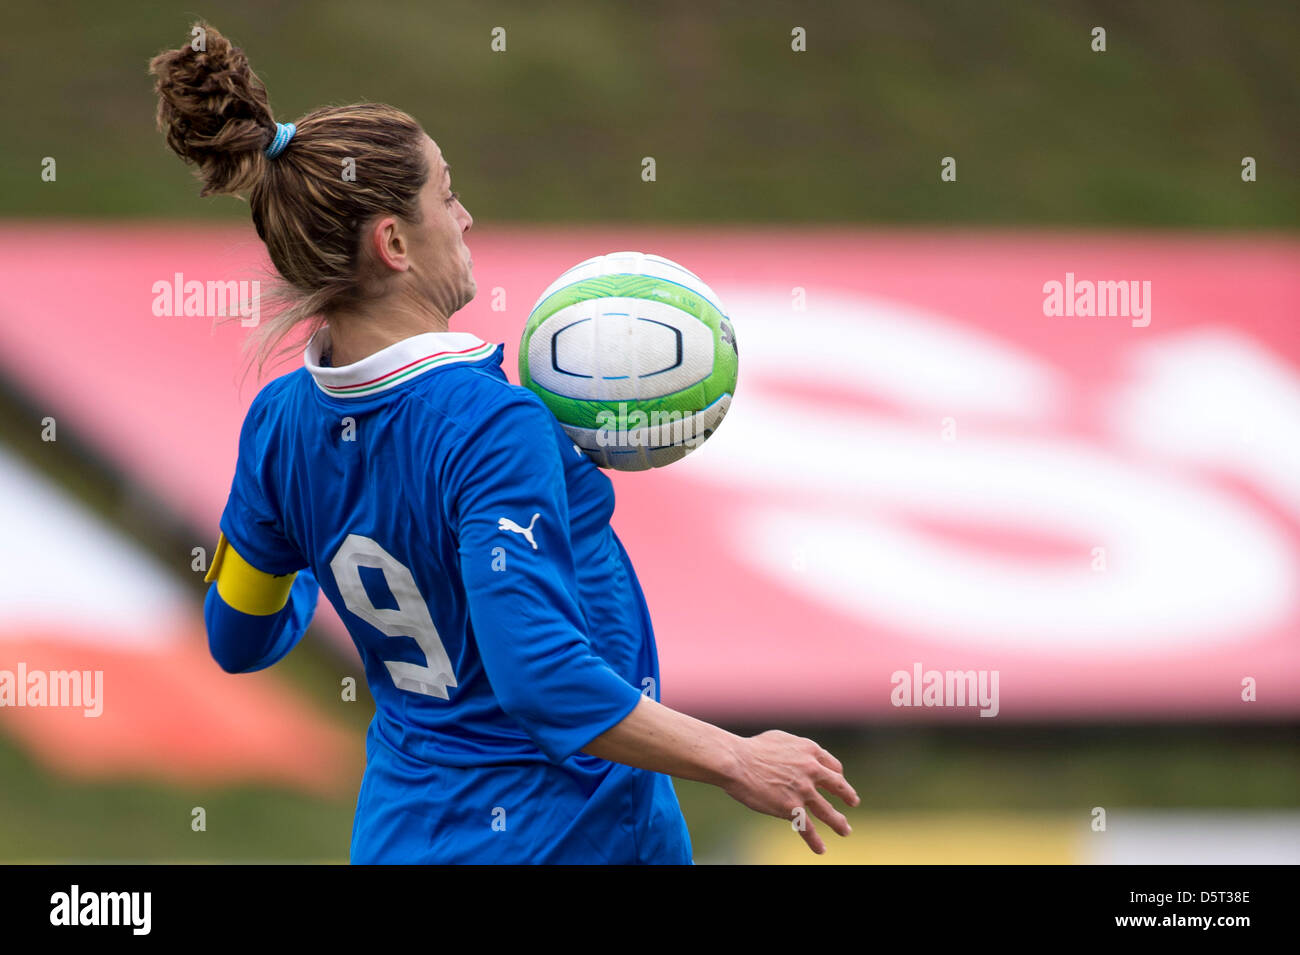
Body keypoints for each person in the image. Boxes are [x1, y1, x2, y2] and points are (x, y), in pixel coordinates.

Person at [151, 23, 858, 864]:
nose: (466, 214)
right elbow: (541, 679)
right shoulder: (494, 423)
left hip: (401, 835)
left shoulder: (277, 423)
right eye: (447, 195)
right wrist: (737, 757)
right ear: (394, 243)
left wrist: (310, 554)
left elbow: (238, 636)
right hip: (557, 839)